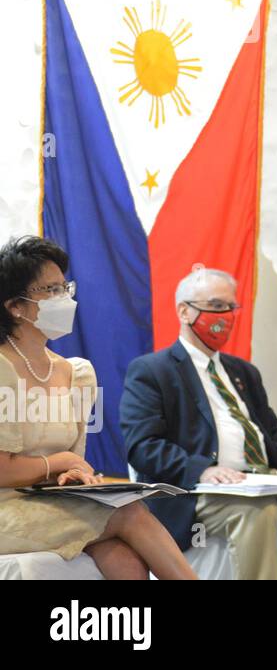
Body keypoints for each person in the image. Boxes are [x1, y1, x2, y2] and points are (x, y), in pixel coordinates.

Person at [120, 267, 277, 580]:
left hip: (264, 483)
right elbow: (143, 447)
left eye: (231, 307)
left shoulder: (244, 372)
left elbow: (273, 433)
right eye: (216, 306)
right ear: (184, 311)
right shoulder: (152, 370)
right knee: (259, 513)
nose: (226, 315)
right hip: (198, 493)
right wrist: (203, 469)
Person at [0, 235, 195, 579]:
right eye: (51, 291)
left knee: (124, 557)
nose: (65, 299)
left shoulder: (74, 372)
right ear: (15, 306)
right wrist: (60, 462)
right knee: (129, 513)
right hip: (6, 508)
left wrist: (74, 475)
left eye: (66, 287)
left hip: (49, 502)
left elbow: (72, 464)